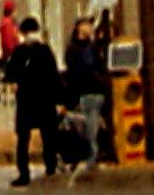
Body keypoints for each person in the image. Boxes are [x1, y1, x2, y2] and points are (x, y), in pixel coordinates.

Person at [10, 19, 63, 184]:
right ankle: (50, 167)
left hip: (28, 100)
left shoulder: (21, 51)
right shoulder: (44, 51)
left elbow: (11, 74)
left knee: (25, 138)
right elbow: (55, 77)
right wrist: (60, 100)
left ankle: (25, 173)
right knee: (47, 135)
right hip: (43, 100)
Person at [61, 19, 110, 168]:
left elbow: (100, 66)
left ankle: (93, 156)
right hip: (83, 92)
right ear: (79, 28)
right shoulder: (74, 49)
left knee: (92, 126)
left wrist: (102, 80)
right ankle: (89, 156)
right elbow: (75, 72)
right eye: (86, 25)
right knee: (87, 126)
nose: (89, 28)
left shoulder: (93, 47)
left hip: (95, 92)